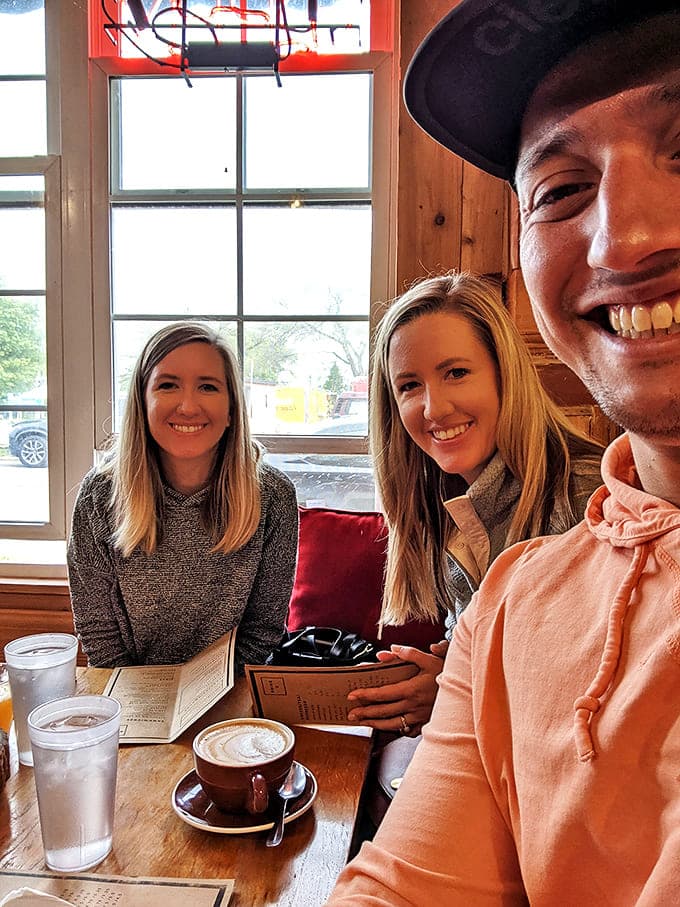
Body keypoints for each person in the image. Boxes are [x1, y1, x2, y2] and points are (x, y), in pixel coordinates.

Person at [327, 3, 680, 903]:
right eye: (562, 190)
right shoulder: (520, 589)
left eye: (454, 373)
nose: (625, 238)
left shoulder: (554, 499)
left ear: (507, 377)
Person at [346, 272, 603, 743]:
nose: (433, 409)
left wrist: (452, 691)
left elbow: (603, 692)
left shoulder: (589, 498)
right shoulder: (445, 503)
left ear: (506, 376)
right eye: (409, 386)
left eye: (456, 373)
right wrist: (444, 669)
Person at [67, 322, 298, 671]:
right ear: (142, 403)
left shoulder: (273, 497)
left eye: (207, 386)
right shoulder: (99, 496)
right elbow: (98, 632)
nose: (188, 406)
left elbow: (263, 630)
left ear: (232, 409)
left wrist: (214, 696)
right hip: (133, 690)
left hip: (230, 690)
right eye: (168, 385)